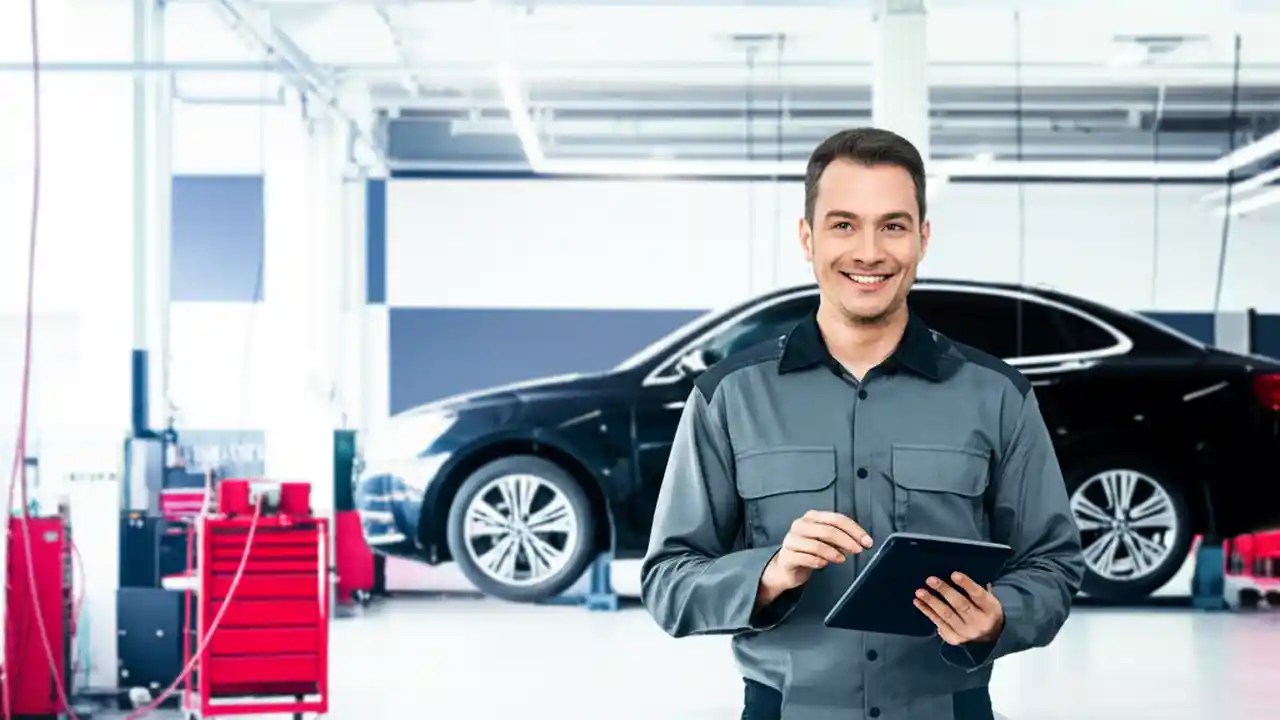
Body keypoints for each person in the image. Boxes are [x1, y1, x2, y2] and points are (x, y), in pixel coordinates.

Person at [640, 127, 1085, 720]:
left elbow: (1054, 564)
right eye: (844, 225)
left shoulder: (998, 396)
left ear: (923, 238)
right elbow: (668, 581)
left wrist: (1001, 615)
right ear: (808, 237)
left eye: (893, 226)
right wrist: (769, 574)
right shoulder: (728, 397)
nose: (869, 252)